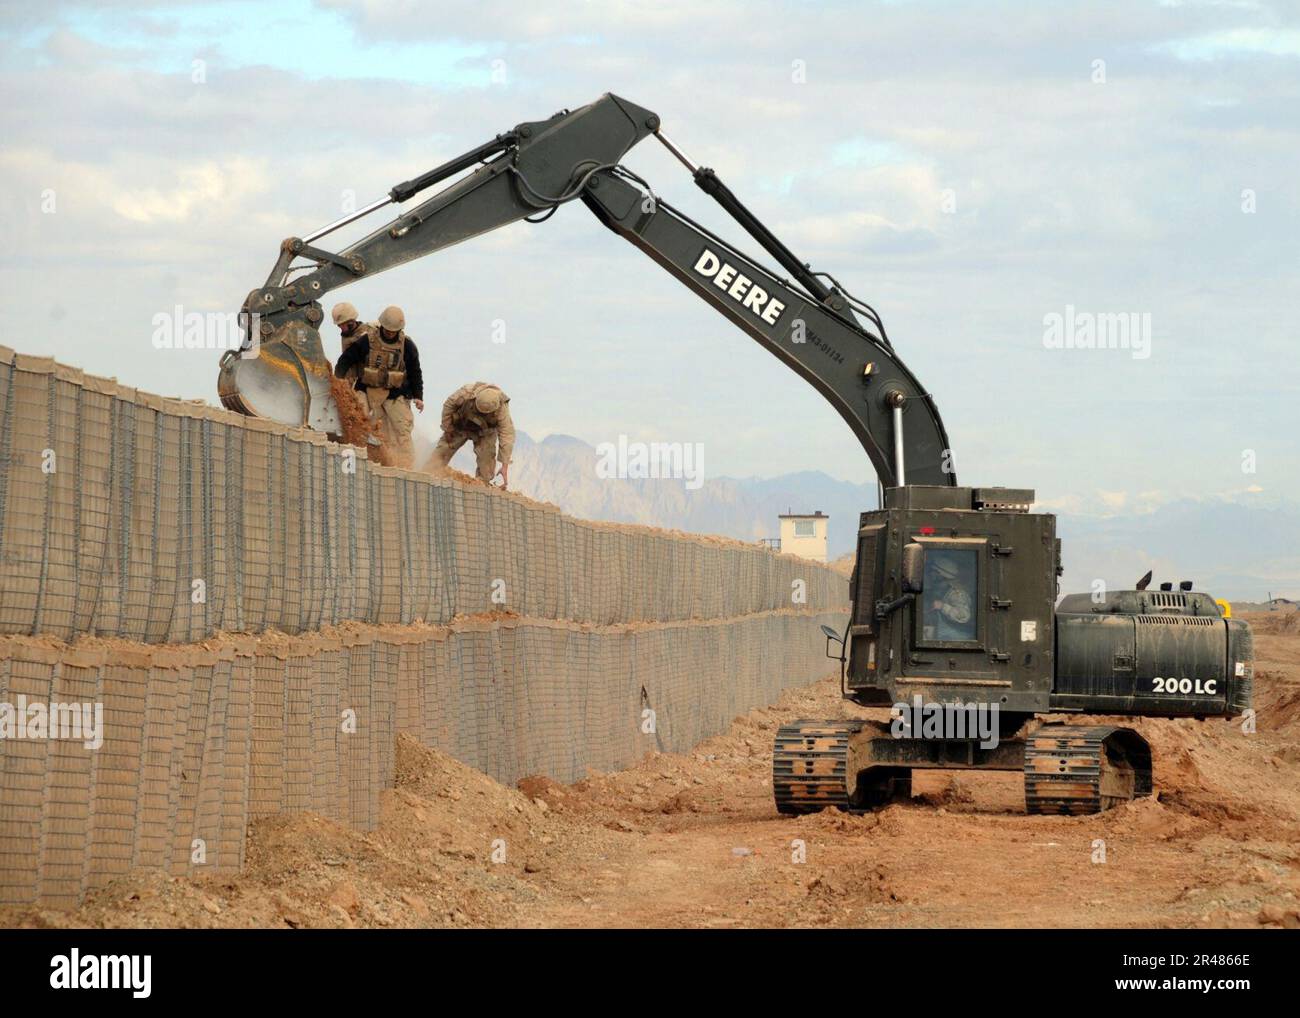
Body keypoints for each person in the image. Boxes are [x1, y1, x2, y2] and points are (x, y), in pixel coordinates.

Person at [333, 305, 423, 468]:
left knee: (402, 430)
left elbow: (415, 371)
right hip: (367, 389)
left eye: (393, 331)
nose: (389, 333)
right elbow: (345, 360)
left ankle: (408, 467)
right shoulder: (367, 340)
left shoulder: (407, 346)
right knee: (360, 421)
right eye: (387, 330)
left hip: (394, 393)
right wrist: (337, 382)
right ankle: (364, 462)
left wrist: (418, 397)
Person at [427, 382, 515, 487]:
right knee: (441, 452)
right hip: (461, 426)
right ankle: (427, 475)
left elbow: (507, 436)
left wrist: (504, 466)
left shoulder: (502, 410)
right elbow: (449, 405)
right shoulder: (467, 392)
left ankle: (482, 487)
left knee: (486, 468)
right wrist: (448, 429)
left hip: (485, 433)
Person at [925, 555, 974, 641]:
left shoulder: (957, 594)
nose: (930, 574)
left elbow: (964, 616)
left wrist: (943, 606)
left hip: (956, 640)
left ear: (939, 575)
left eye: (932, 571)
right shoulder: (935, 591)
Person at [330, 302, 374, 388]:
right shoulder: (346, 335)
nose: (341, 328)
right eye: (339, 325)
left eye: (343, 324)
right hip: (350, 382)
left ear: (351, 321)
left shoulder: (368, 333)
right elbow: (344, 361)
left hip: (367, 383)